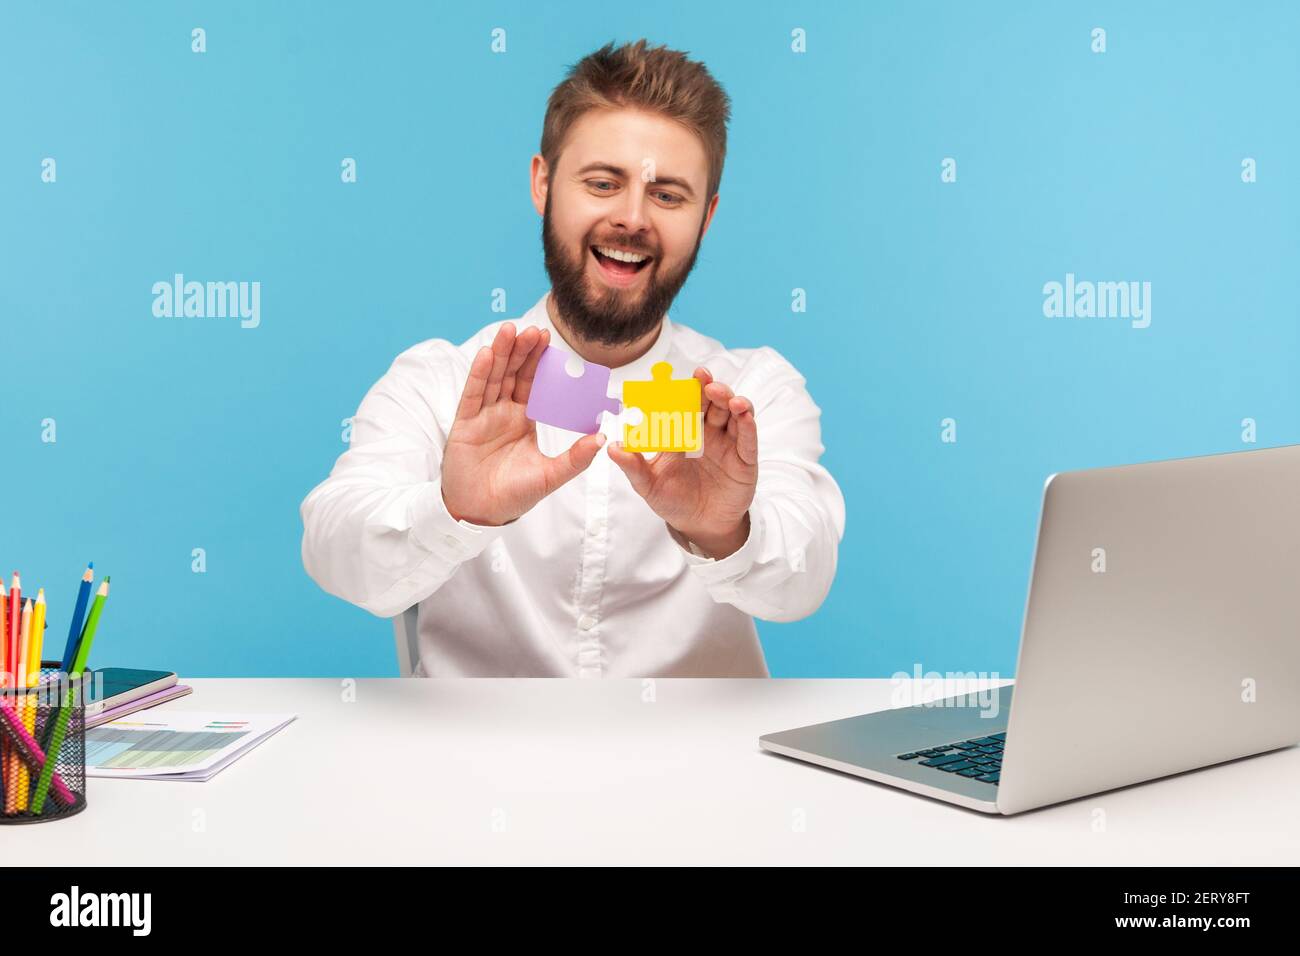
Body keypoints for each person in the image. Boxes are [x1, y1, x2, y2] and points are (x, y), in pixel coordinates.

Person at [300, 39, 846, 676]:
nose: (632, 218)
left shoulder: (753, 393)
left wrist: (725, 531)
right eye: (603, 183)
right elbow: (332, 551)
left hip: (696, 765)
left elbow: (801, 585)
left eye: (668, 195)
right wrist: (456, 511)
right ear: (543, 183)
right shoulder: (440, 379)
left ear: (707, 217)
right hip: (471, 761)